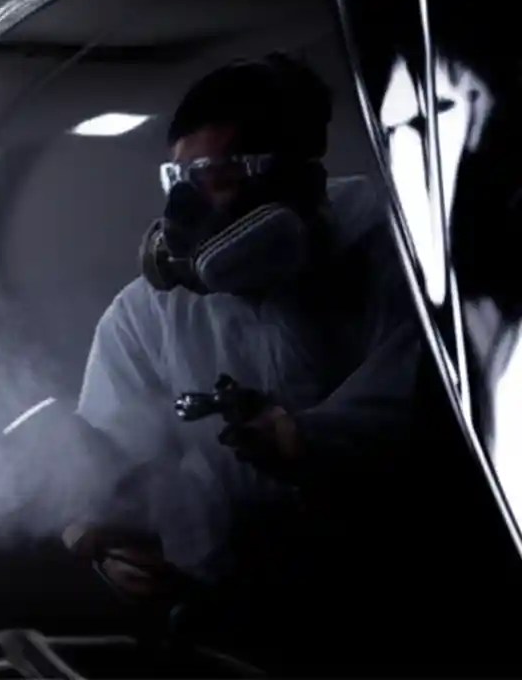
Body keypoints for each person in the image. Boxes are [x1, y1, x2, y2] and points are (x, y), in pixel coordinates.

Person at [67, 53, 422, 668]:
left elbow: (418, 405)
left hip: (405, 607)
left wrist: (300, 439)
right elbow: (106, 450)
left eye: (213, 175)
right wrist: (100, 534)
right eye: (178, 180)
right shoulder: (144, 313)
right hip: (231, 622)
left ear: (292, 179)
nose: (186, 213)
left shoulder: (402, 262)